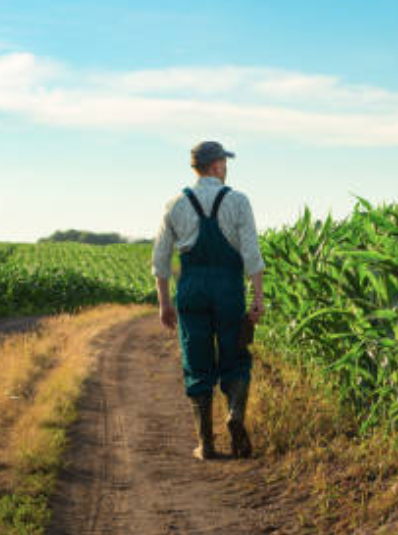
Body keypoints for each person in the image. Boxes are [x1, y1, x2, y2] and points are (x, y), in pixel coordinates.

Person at [152, 141, 265, 460]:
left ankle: (207, 443)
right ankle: (235, 415)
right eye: (224, 163)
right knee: (236, 354)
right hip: (228, 287)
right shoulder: (238, 201)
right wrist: (257, 297)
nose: (227, 168)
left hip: (191, 289)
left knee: (196, 360)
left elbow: (160, 261)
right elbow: (252, 255)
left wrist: (164, 303)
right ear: (216, 165)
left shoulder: (175, 203)